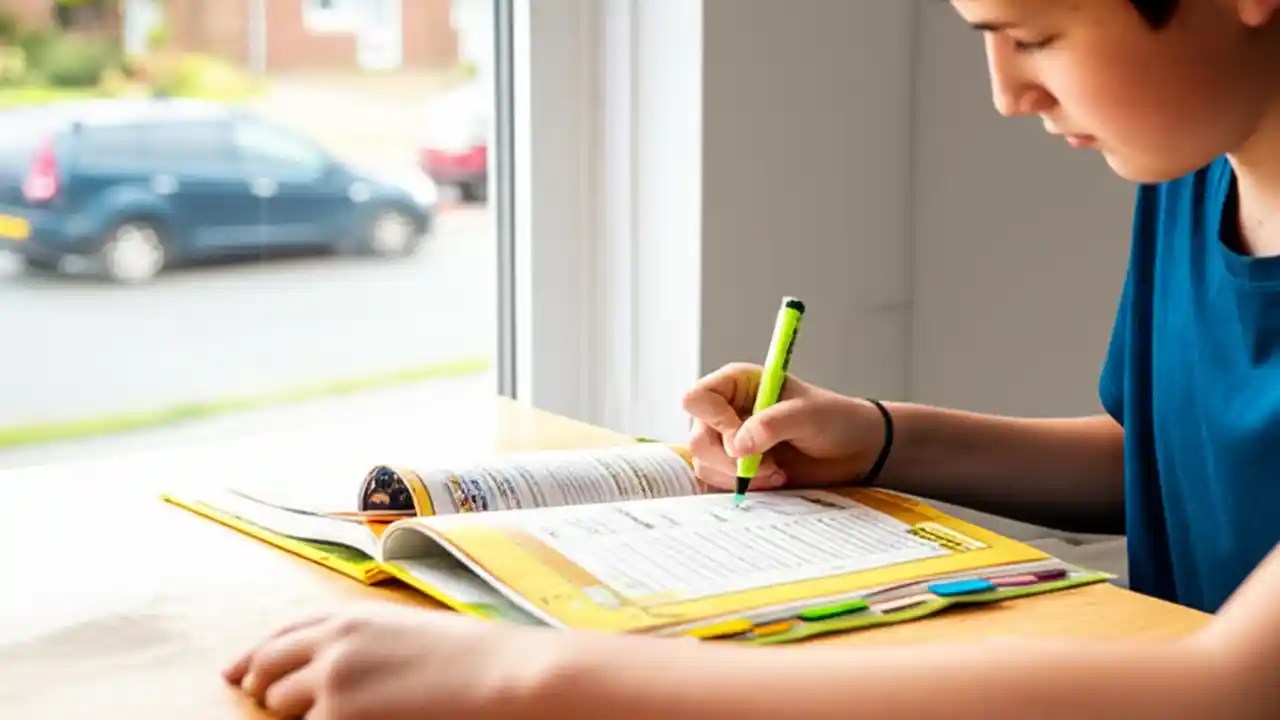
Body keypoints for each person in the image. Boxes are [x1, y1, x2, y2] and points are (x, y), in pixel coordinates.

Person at [224, 1, 1280, 717]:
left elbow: (1226, 689)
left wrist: (535, 677)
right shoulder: (1189, 172)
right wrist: (877, 438)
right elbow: (1152, 457)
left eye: (1035, 34)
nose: (1005, 92)